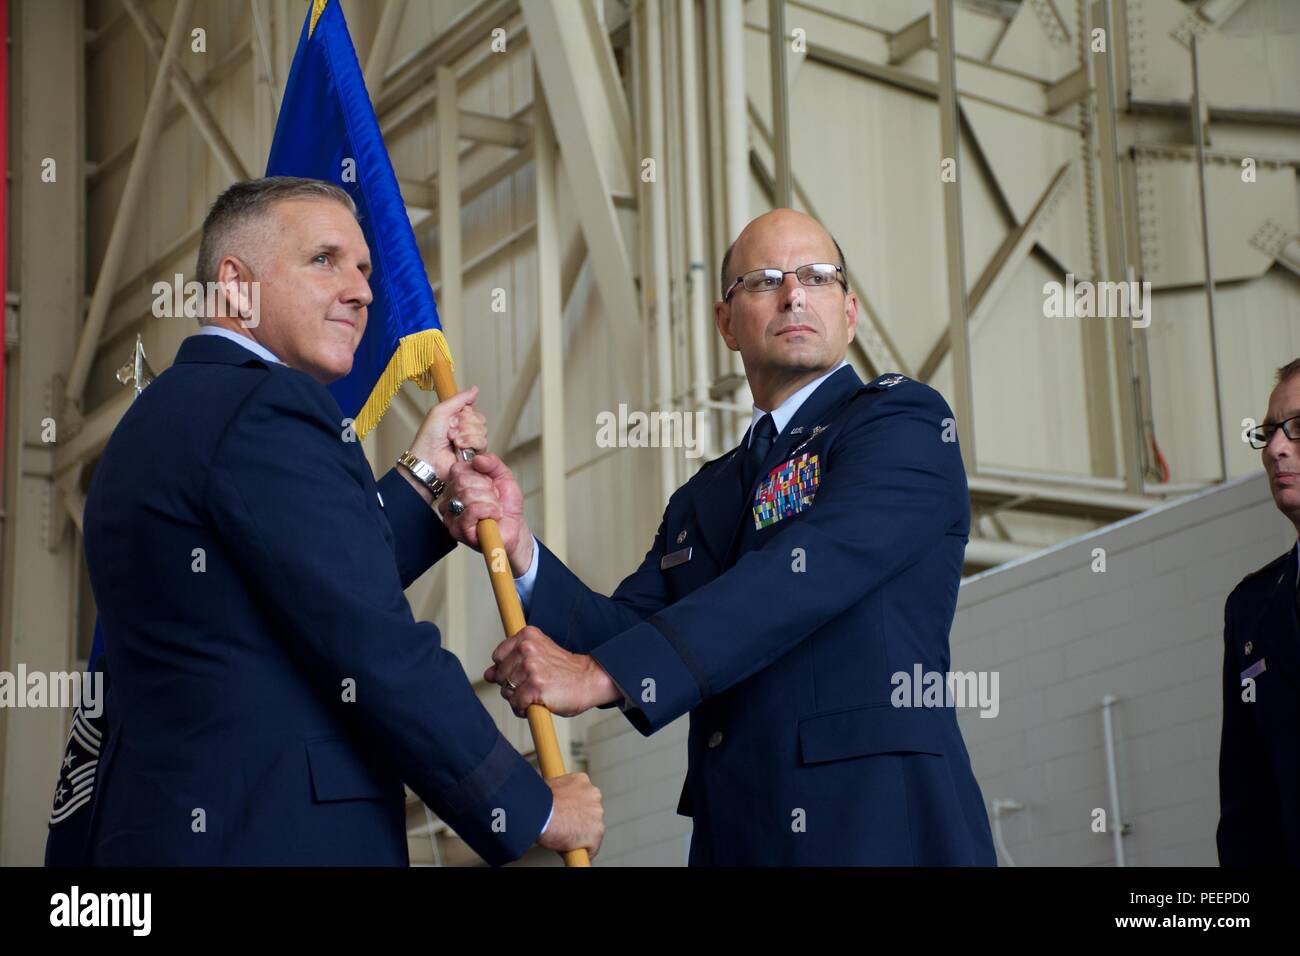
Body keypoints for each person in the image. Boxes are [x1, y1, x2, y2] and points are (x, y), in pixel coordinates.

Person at [73, 176, 602, 865]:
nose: (361, 290)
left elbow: (292, 585)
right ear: (237, 285)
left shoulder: (170, 414)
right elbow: (373, 643)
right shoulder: (264, 407)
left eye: (363, 269)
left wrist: (425, 478)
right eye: (324, 260)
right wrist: (531, 806)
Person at [442, 208, 996, 865]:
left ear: (849, 313)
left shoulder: (902, 423)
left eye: (817, 277)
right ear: (725, 322)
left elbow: (805, 572)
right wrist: (520, 546)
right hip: (737, 836)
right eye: (763, 280)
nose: (793, 293)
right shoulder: (703, 496)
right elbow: (628, 628)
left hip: (874, 826)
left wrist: (602, 673)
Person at [1218, 357, 1300, 865]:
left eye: (1298, 428)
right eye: (1269, 432)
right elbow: (1247, 804)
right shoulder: (1250, 608)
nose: (1275, 448)